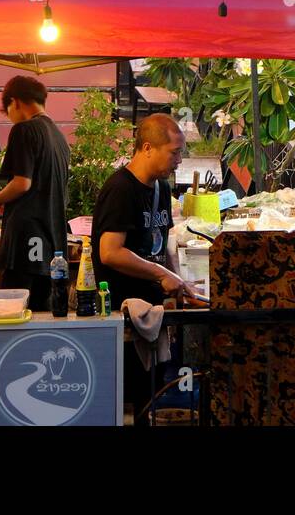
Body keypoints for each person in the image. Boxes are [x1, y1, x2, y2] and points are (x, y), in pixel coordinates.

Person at [93, 113, 199, 425]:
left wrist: (179, 280)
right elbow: (110, 252)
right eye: (175, 152)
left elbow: (163, 242)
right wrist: (161, 274)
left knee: (148, 398)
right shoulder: (120, 189)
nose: (179, 160)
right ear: (148, 148)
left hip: (152, 310)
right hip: (122, 311)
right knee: (126, 400)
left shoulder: (160, 189)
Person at [0, 76, 69, 312]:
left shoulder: (25, 130)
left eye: (8, 111)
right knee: (41, 310)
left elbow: (22, 183)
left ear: (15, 102)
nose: (10, 117)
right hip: (51, 239)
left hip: (25, 237)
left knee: (11, 309)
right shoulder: (59, 137)